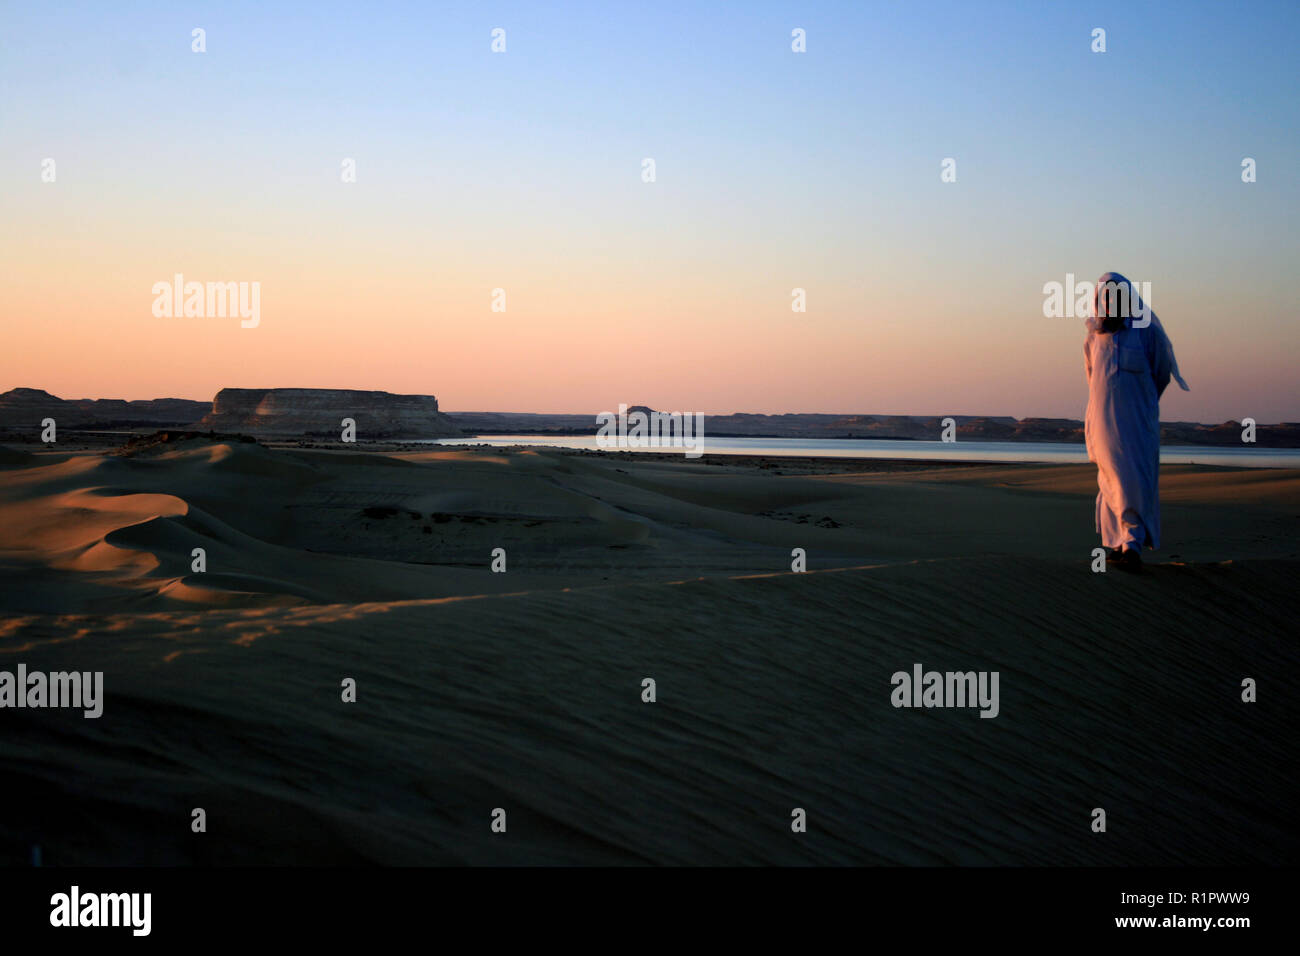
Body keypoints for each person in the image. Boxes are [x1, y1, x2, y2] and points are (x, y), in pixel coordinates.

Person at [1083, 272, 1189, 571]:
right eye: (1105, 297)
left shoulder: (1145, 333)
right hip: (1103, 421)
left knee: (1133, 479)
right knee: (1109, 478)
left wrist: (1139, 401)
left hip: (1137, 422)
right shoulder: (1093, 338)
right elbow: (1093, 380)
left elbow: (1161, 372)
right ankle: (1117, 543)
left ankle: (1133, 544)